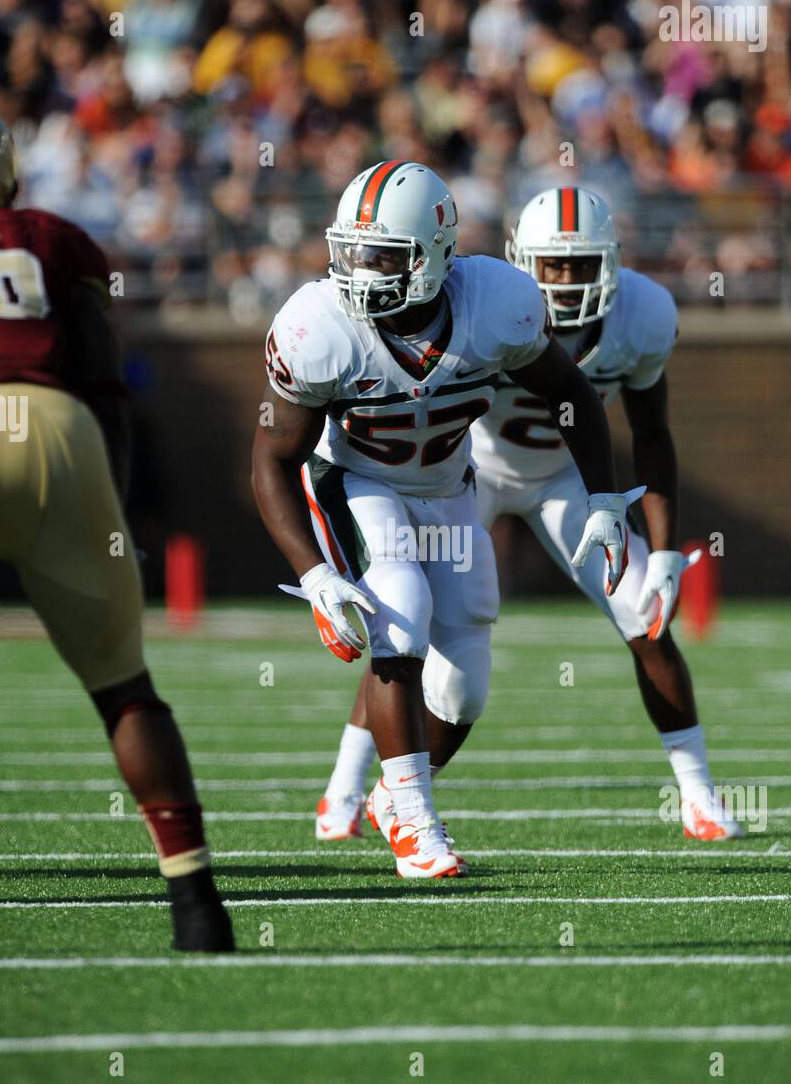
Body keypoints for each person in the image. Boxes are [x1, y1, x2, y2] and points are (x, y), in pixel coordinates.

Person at [318, 186, 744, 843]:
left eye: (580, 265)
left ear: (612, 262)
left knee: (646, 618)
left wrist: (660, 550)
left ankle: (698, 796)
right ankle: (343, 791)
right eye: (551, 265)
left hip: (568, 481)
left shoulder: (642, 315)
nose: (566, 282)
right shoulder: (492, 306)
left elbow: (652, 434)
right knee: (400, 623)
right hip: (469, 470)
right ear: (521, 260)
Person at [252, 160, 635, 878]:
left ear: (431, 255)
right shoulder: (319, 326)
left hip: (448, 486)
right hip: (358, 479)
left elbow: (571, 394)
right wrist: (314, 572)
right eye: (349, 251)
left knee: (463, 688)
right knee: (400, 609)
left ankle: (393, 797)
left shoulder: (496, 304)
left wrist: (605, 498)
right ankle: (414, 820)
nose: (358, 271)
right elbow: (271, 462)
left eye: (380, 256)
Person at [0, 111, 233, 950]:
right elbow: (102, 375)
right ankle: (197, 907)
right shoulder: (51, 236)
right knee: (126, 690)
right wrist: (113, 513)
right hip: (58, 429)